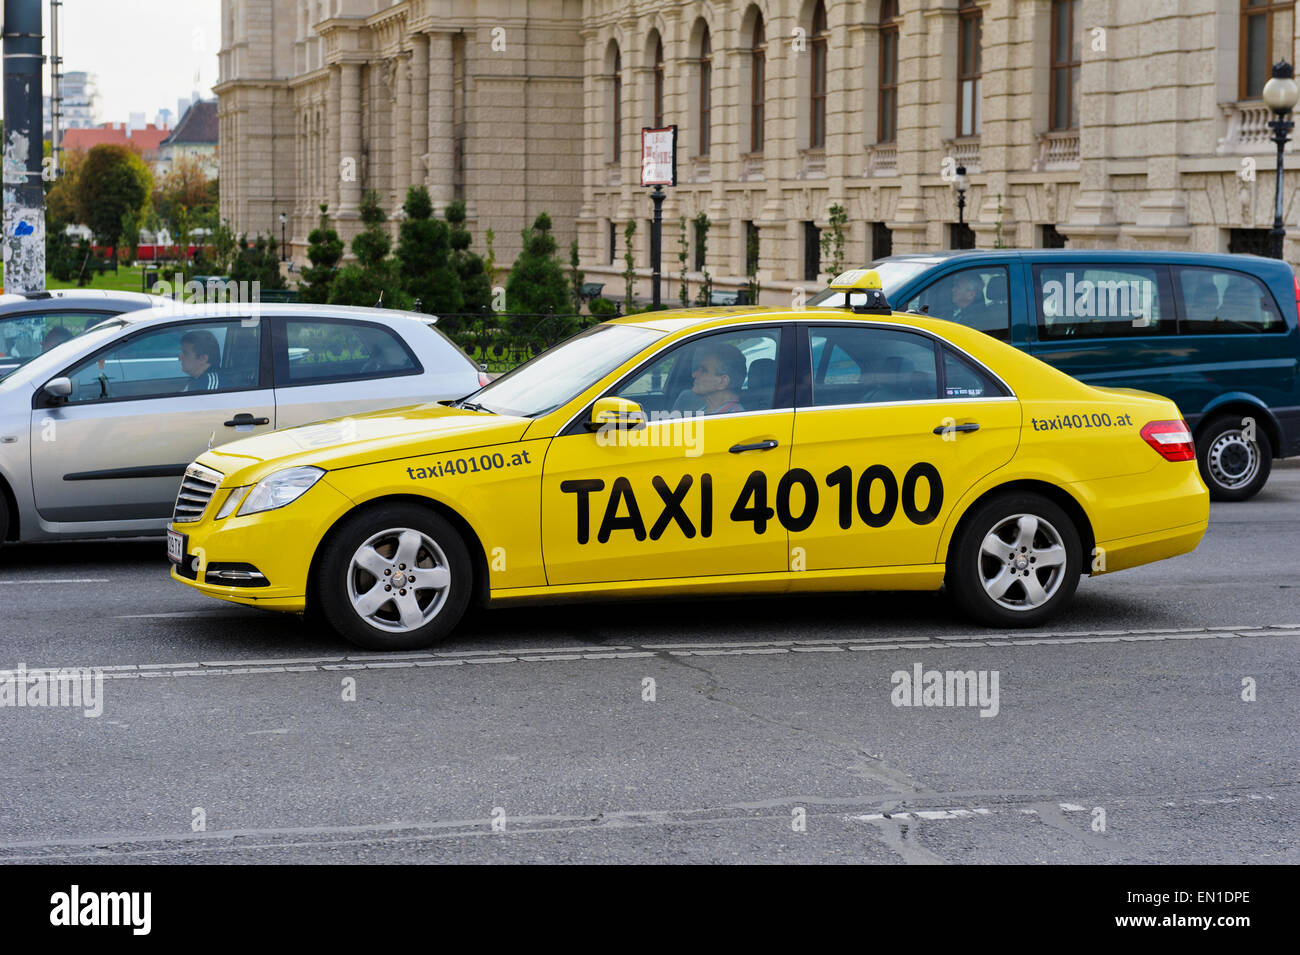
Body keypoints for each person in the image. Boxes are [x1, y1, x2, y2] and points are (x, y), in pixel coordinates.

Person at [688, 341, 747, 414]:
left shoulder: (735, 420)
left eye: (704, 370)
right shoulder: (704, 412)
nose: (694, 375)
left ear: (722, 382)